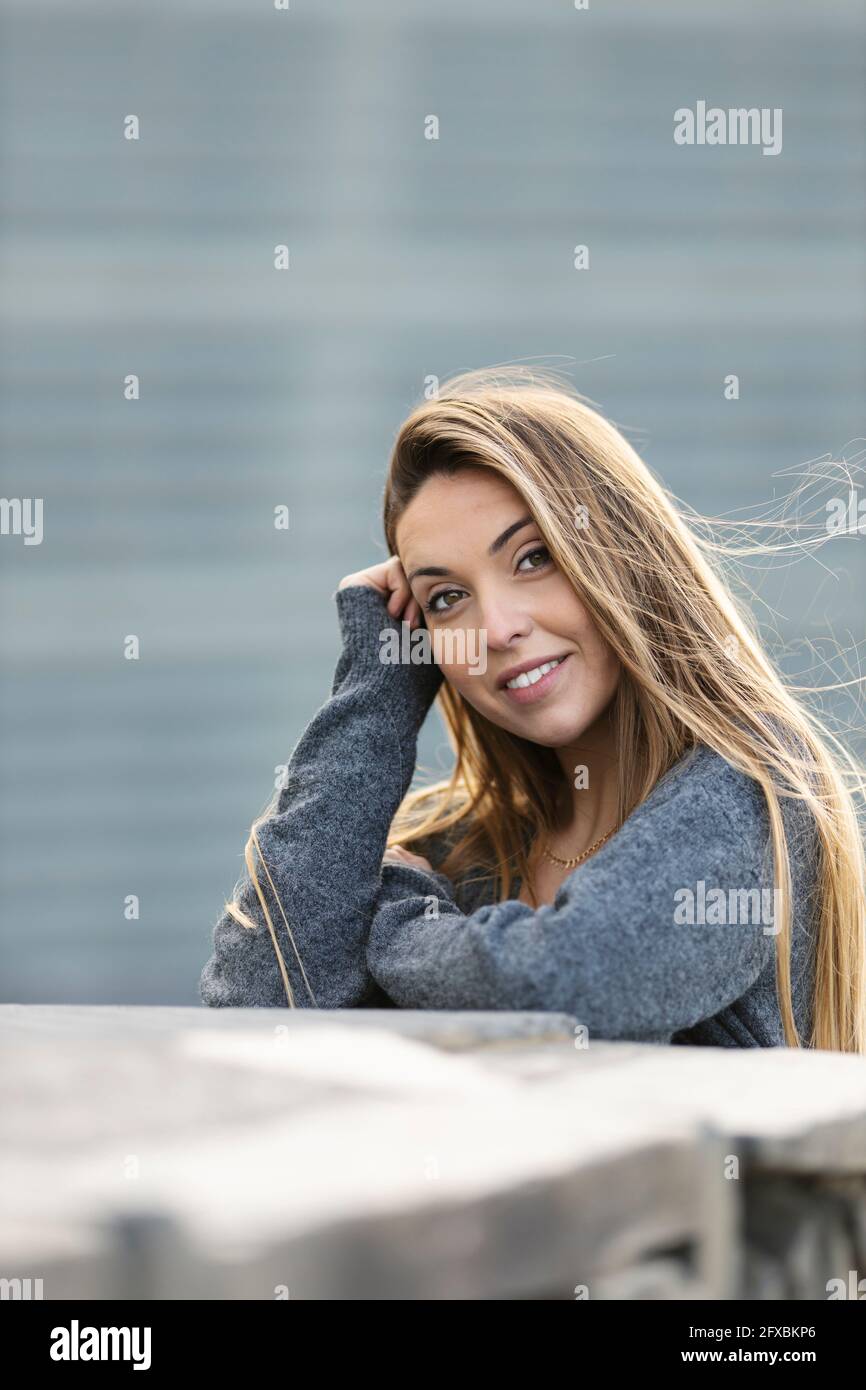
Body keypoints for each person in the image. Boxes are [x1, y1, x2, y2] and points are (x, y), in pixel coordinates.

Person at [199, 366, 866, 1051]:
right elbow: (259, 1004)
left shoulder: (750, 792)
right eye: (446, 598)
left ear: (623, 553)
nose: (495, 628)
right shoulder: (451, 848)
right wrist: (379, 685)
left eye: (533, 557)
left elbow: (578, 981)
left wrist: (401, 919)